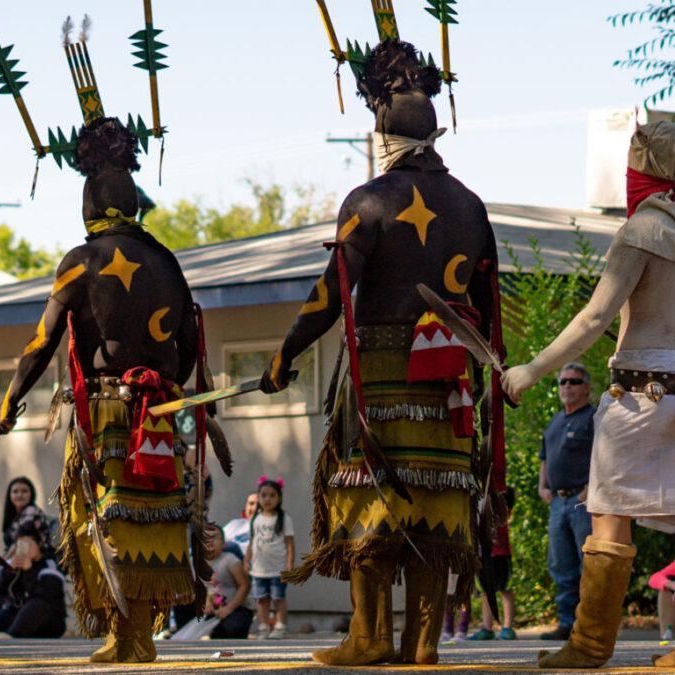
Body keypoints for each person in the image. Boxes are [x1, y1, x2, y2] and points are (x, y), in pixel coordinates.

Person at [260, 39, 504, 666]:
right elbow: (488, 308)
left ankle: (370, 637)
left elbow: (329, 296)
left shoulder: (366, 201)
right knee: (435, 499)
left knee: (369, 493)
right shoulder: (473, 208)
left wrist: (285, 354)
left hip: (382, 376)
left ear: (382, 135)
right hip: (451, 380)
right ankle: (424, 642)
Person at [503, 121, 675, 668]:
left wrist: (532, 369)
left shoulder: (638, 232)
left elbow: (595, 317)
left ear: (642, 169)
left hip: (636, 392)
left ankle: (588, 645)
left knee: (608, 512)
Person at [0, 117, 202, 663]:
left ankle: (127, 633)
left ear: (89, 206)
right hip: (160, 409)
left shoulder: (81, 262)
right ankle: (138, 634)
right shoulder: (167, 262)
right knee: (151, 514)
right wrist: (170, 390)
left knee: (103, 517)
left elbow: (41, 341)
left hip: (107, 412)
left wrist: (10, 400)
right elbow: (191, 342)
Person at [537, 362, 595, 641]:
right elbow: (545, 457)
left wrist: (592, 488)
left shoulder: (594, 418)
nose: (567, 387)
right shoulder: (555, 421)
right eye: (562, 382)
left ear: (586, 388)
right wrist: (542, 486)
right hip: (557, 503)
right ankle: (566, 623)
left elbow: (605, 457)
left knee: (590, 564)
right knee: (560, 565)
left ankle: (591, 624)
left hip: (583, 501)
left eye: (573, 381)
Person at [0, 477, 54, 612]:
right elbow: (11, 545)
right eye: (16, 491)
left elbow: (23, 542)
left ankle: (9, 612)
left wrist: (1, 561)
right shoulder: (14, 516)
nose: (20, 495)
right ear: (10, 495)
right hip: (16, 556)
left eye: (24, 491)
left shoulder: (32, 512)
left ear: (31, 494)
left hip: (36, 560)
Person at [174, 523, 253, 640]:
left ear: (223, 543)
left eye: (214, 537)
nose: (209, 541)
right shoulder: (192, 562)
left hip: (232, 608)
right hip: (204, 608)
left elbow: (245, 586)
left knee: (232, 629)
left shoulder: (231, 560)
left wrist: (229, 608)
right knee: (181, 603)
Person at [244, 477, 294, 639]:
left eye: (272, 495)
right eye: (264, 495)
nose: (267, 499)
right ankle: (263, 626)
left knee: (278, 598)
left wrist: (289, 563)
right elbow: (252, 542)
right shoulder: (256, 519)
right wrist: (246, 560)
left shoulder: (284, 519)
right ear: (259, 497)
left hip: (277, 568)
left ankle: (280, 626)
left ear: (279, 498)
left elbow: (289, 543)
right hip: (259, 569)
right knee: (261, 599)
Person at [470, 487, 518, 641]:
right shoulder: (474, 495)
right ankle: (487, 627)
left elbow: (508, 505)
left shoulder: (503, 494)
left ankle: (508, 627)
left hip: (500, 551)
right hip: (481, 552)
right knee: (485, 590)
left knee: (505, 587)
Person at [222, 493, 258, 558]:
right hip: (225, 560)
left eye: (258, 505)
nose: (254, 508)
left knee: (231, 546)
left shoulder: (268, 528)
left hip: (247, 562)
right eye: (251, 504)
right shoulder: (235, 523)